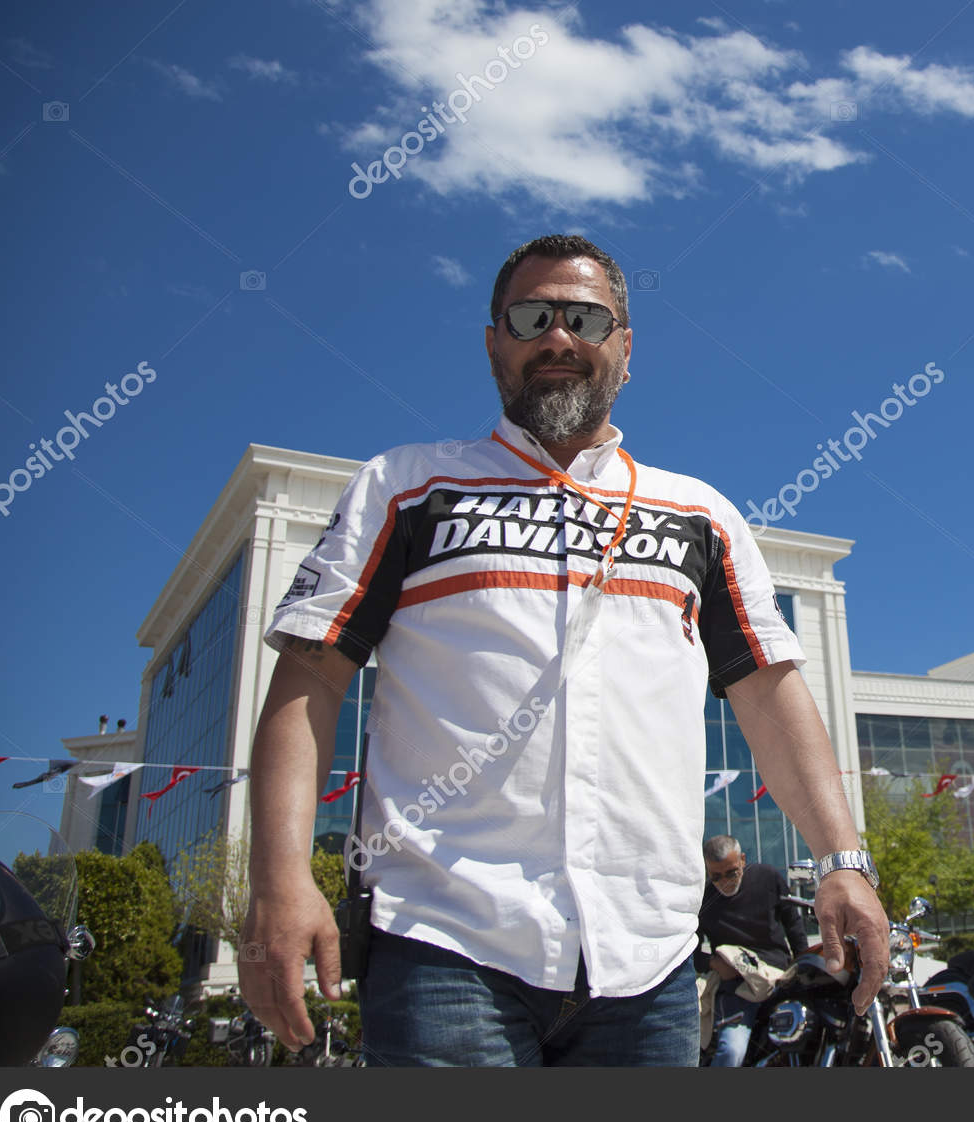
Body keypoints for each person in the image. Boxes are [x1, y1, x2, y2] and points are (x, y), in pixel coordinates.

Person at [239, 234, 887, 1066]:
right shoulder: (404, 486)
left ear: (624, 347)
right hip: (445, 942)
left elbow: (769, 694)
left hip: (648, 962)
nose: (557, 337)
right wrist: (280, 877)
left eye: (584, 317)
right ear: (492, 342)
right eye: (530, 315)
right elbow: (308, 679)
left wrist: (843, 859)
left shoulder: (702, 515)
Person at [696, 836, 809, 1066]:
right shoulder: (702, 899)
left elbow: (794, 926)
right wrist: (713, 964)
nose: (724, 882)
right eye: (715, 876)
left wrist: (804, 964)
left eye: (731, 873)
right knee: (732, 1052)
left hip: (780, 977)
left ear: (743, 861)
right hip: (736, 987)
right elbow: (688, 951)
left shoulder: (768, 878)